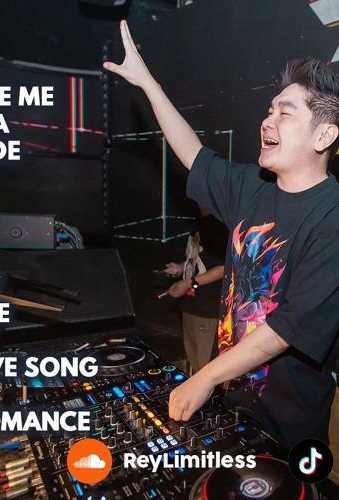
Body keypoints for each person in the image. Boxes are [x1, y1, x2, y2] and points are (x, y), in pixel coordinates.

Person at [104, 20, 339, 449]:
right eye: (270, 109)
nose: (267, 120)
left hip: (287, 426)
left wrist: (204, 377)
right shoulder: (252, 187)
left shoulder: (332, 218)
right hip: (232, 401)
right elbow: (193, 154)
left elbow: (286, 329)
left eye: (285, 112)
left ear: (324, 134)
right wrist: (149, 85)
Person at [164, 208, 228, 374]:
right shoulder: (199, 221)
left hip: (208, 308)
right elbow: (199, 259)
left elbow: (224, 267)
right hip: (191, 304)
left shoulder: (219, 224)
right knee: (194, 362)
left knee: (206, 369)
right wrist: (181, 267)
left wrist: (189, 282)